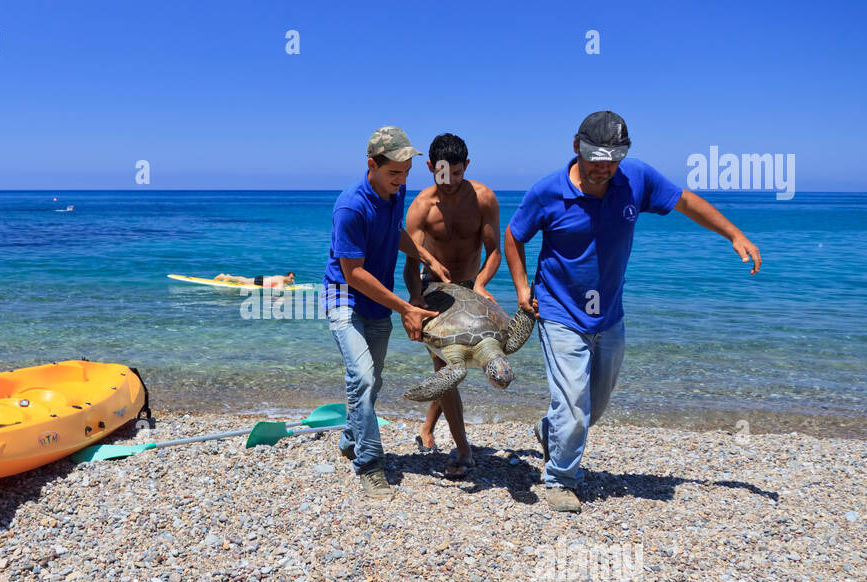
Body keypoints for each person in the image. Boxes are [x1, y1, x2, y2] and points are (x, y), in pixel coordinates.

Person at [506, 111, 761, 512]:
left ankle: (549, 433)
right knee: (574, 406)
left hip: (609, 315)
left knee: (593, 406)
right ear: (576, 147)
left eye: (612, 161)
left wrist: (733, 233)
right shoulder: (547, 192)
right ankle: (559, 480)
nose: (603, 169)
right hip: (559, 311)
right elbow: (514, 235)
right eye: (595, 160)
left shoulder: (635, 179)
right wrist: (522, 287)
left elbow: (686, 202)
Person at [324, 126, 451, 500]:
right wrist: (407, 308)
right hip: (345, 298)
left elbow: (394, 231)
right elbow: (354, 273)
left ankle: (351, 437)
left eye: (407, 172)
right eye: (394, 173)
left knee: (372, 382)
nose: (402, 180)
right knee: (361, 378)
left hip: (378, 301)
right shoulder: (351, 206)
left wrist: (426, 257)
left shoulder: (396, 192)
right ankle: (369, 463)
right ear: (371, 166)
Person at [403, 133, 502, 479]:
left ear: (466, 167)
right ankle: (464, 451)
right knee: (447, 368)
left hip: (471, 290)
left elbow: (495, 253)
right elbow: (411, 264)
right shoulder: (420, 207)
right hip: (436, 296)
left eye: (456, 175)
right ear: (430, 167)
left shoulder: (484, 199)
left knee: (447, 371)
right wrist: (415, 302)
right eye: (441, 175)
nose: (448, 184)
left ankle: (427, 428)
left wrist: (481, 283)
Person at [214, 272, 296, 287]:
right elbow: (279, 290)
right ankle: (224, 276)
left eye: (293, 279)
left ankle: (229, 276)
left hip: (264, 280)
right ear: (287, 276)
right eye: (291, 278)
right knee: (244, 280)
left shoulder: (282, 278)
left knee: (244, 282)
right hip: (262, 281)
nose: (291, 280)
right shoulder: (281, 280)